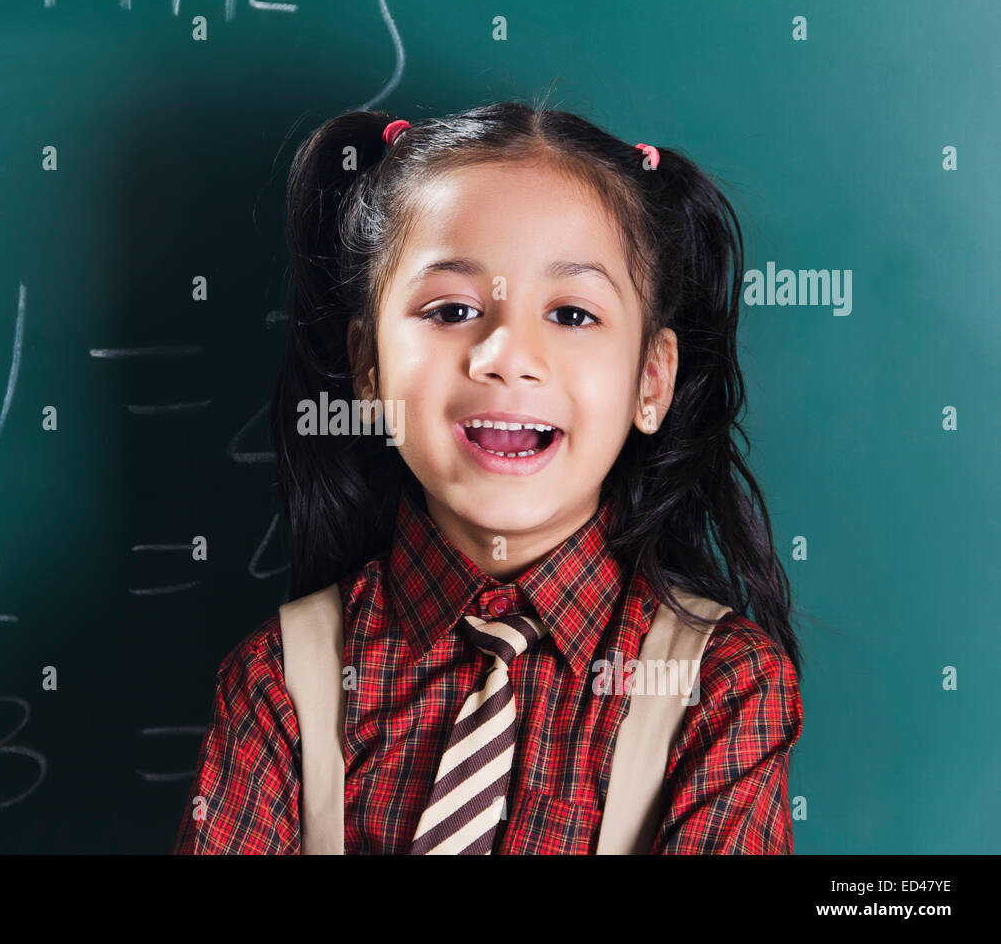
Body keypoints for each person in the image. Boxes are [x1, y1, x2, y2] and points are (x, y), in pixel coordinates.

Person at [174, 101, 803, 854]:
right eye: (451, 309)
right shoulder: (281, 683)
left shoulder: (722, 688)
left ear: (651, 380)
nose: (505, 353)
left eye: (571, 314)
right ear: (369, 368)